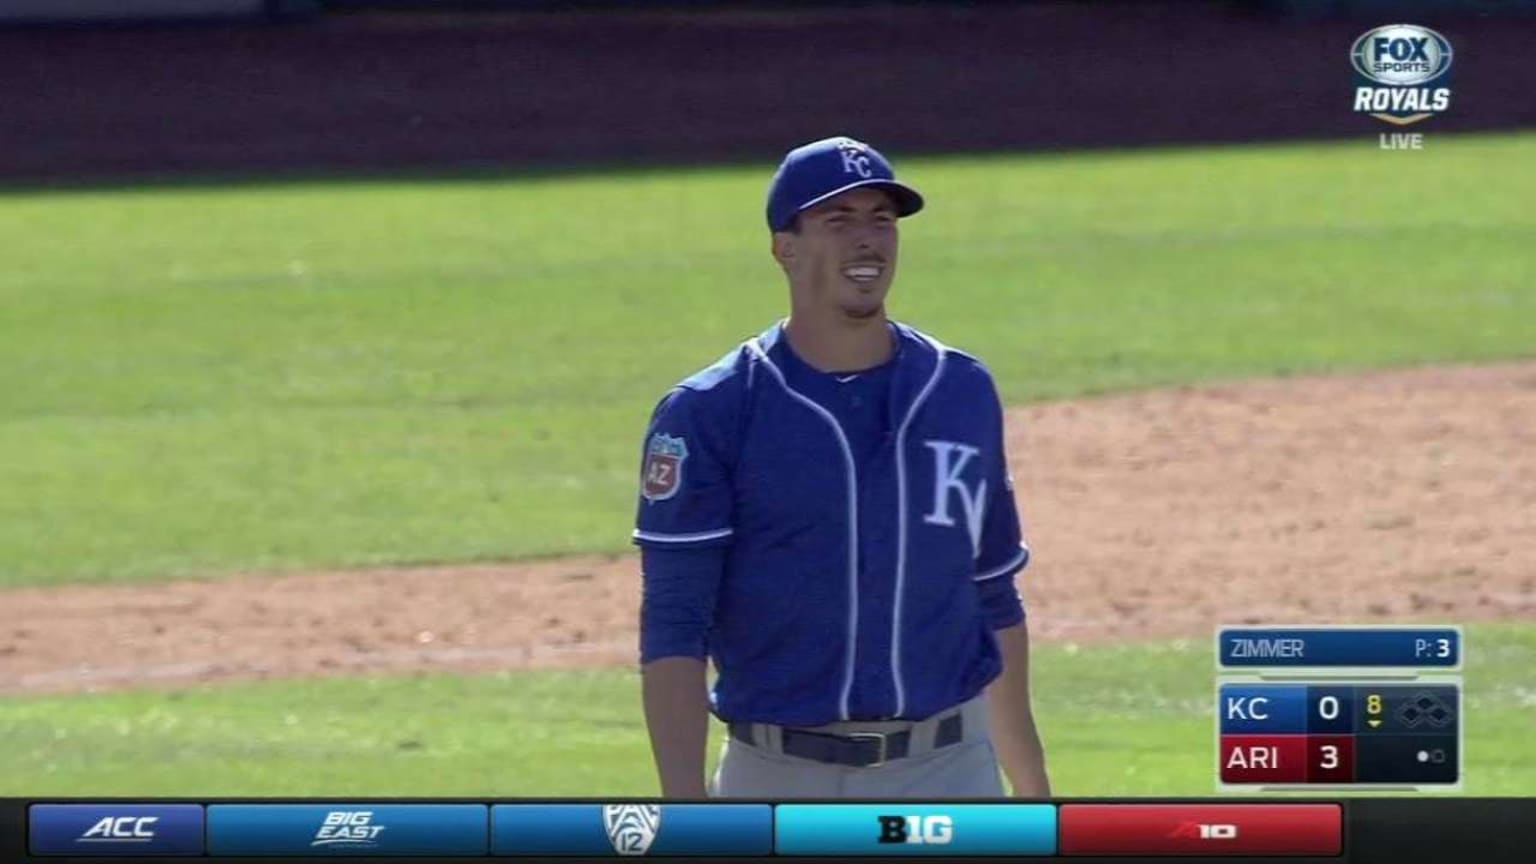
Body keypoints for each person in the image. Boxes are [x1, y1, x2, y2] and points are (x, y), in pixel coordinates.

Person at [633, 135, 1050, 799]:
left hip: (950, 772)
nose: (867, 240)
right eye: (839, 220)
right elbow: (674, 624)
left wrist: (1031, 790)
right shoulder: (711, 411)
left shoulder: (960, 389)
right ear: (785, 247)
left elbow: (992, 592)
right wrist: (686, 811)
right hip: (774, 776)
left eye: (881, 220)